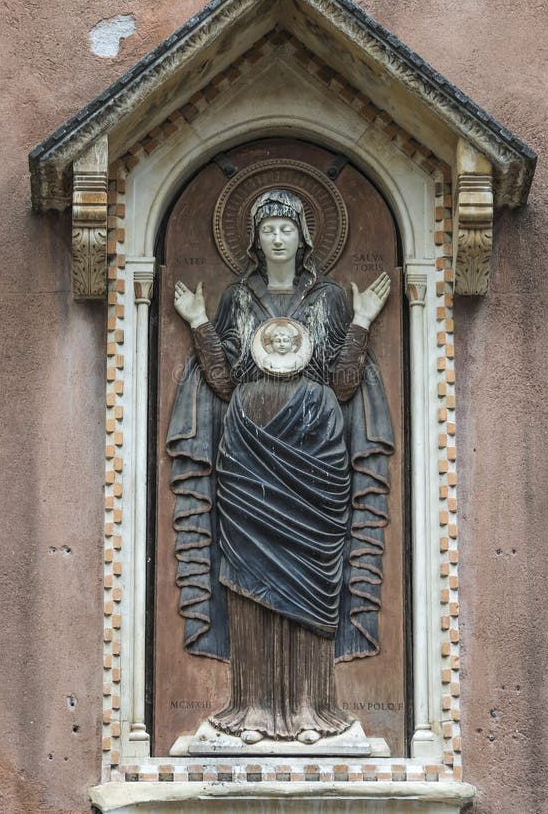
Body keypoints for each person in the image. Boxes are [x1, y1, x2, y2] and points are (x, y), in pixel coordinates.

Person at [167, 189, 394, 744]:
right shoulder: (238, 300)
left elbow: (343, 384)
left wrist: (362, 321)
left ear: (303, 236)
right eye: (266, 227)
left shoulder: (330, 300)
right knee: (248, 578)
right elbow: (222, 381)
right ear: (254, 239)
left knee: (314, 574)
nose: (276, 237)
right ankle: (254, 710)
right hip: (247, 451)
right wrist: (198, 322)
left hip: (315, 452)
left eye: (285, 228)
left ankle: (313, 711)